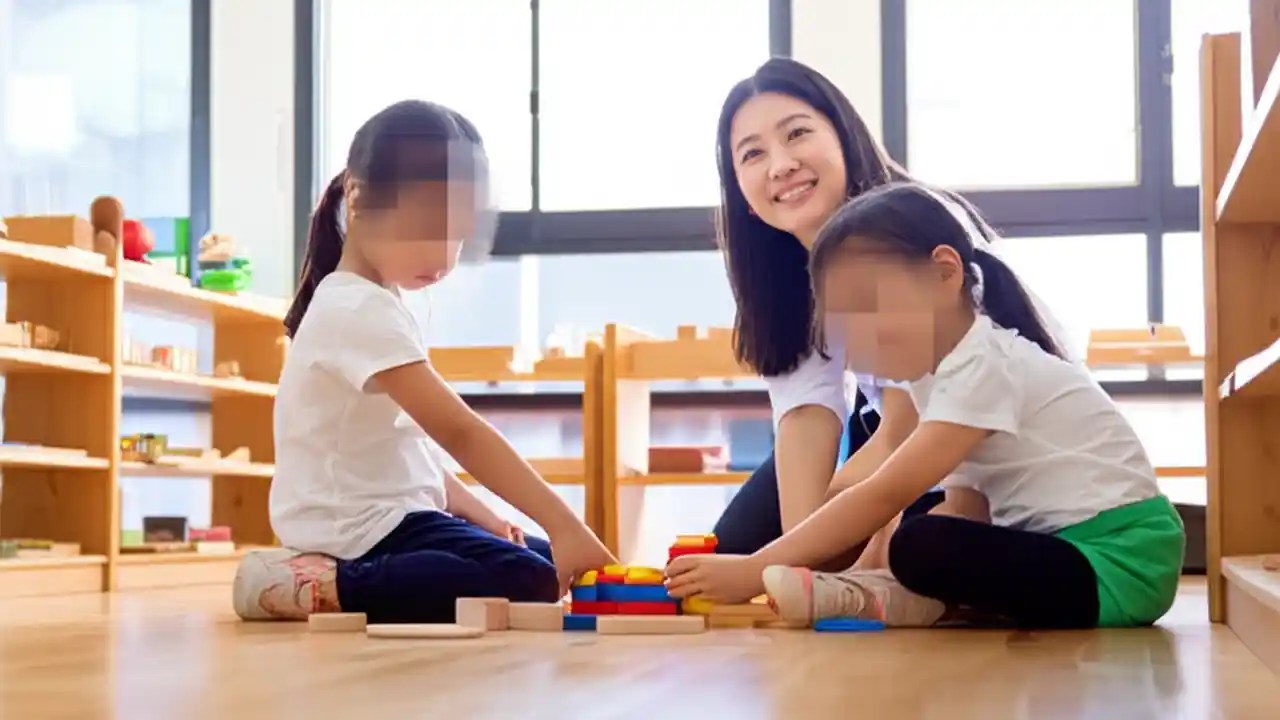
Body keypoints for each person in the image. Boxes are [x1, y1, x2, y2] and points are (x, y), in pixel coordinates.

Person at [667, 182, 1186, 630]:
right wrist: (863, 568)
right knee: (927, 541)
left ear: (945, 273)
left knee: (923, 545)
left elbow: (886, 491)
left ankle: (907, 601)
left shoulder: (984, 364)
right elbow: (967, 505)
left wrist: (755, 568)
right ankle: (894, 596)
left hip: (1119, 561)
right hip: (1061, 551)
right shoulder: (936, 377)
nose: (857, 341)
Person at [232, 99, 616, 624]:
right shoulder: (354, 306)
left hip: (395, 519)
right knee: (529, 576)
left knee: (540, 563)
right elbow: (458, 430)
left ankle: (338, 574)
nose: (443, 257)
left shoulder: (379, 301)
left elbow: (405, 448)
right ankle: (312, 584)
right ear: (360, 198)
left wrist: (484, 515)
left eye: (457, 234)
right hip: (354, 529)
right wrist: (563, 522)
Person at [708, 57, 946, 565]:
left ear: (844, 138)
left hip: (966, 442)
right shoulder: (785, 273)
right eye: (752, 155)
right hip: (895, 431)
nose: (781, 165)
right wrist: (799, 564)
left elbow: (910, 428)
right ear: (742, 193)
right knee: (739, 546)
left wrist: (804, 549)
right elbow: (804, 417)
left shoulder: (905, 232)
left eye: (797, 134)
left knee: (910, 551)